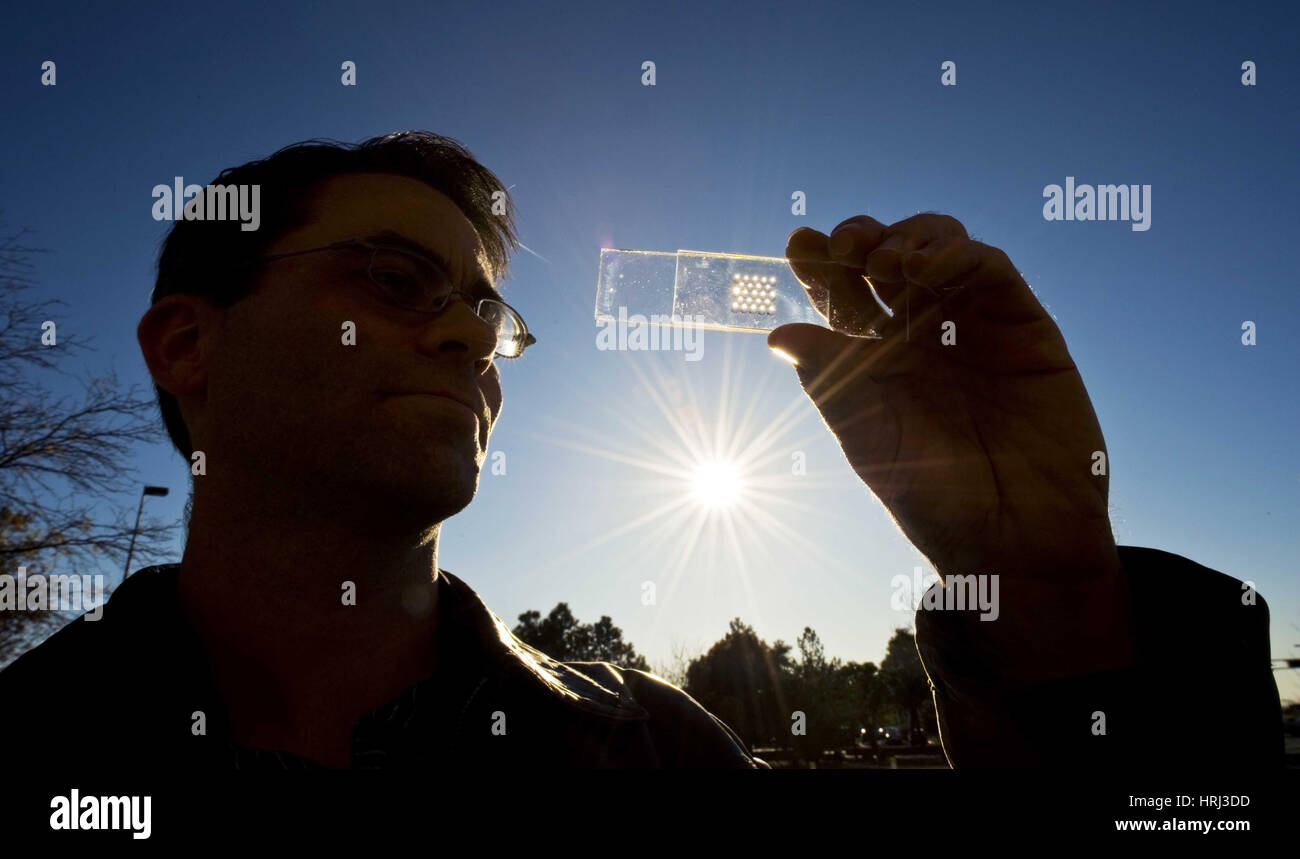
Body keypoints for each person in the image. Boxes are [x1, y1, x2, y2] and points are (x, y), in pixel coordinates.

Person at [0, 131, 1281, 768]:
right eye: (393, 279)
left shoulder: (651, 761)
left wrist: (1057, 597)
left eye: (488, 312)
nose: (464, 337)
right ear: (186, 345)